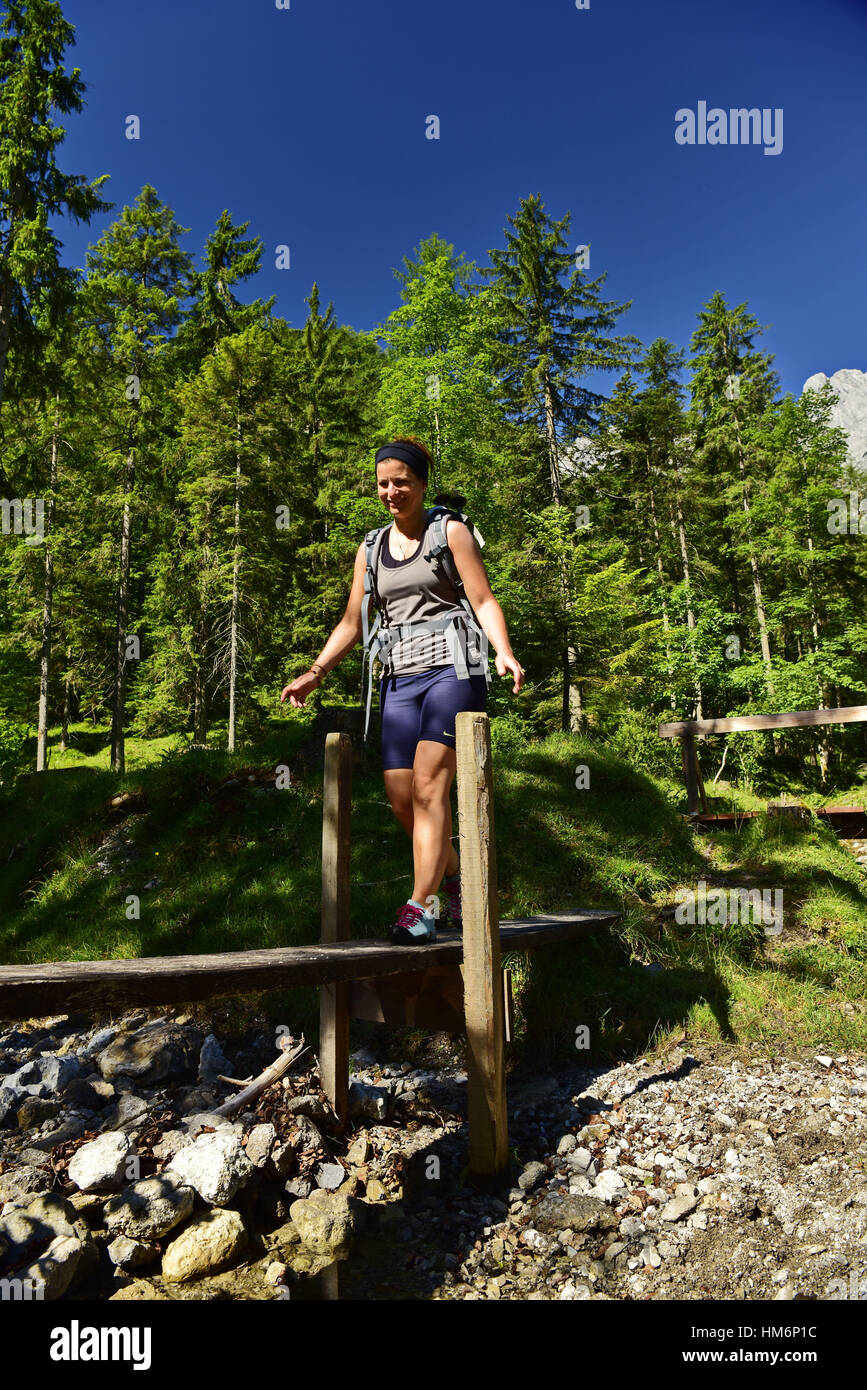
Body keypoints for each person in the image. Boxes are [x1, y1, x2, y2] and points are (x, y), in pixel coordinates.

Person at [280, 435, 524, 943]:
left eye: (402, 482)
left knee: (429, 785)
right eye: (384, 484)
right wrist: (317, 670)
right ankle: (454, 881)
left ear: (421, 483)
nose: (392, 492)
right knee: (399, 798)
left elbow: (482, 599)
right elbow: (352, 620)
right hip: (398, 678)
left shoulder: (450, 532)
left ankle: (421, 906)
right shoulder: (369, 549)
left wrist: (503, 650)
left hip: (453, 673)